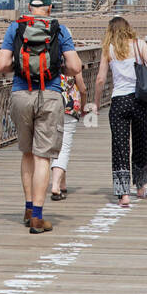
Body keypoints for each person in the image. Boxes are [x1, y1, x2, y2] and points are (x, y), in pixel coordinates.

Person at [0, 0, 81, 234]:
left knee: (27, 153)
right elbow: (75, 67)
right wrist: (57, 67)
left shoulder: (16, 28)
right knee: (43, 156)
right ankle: (38, 217)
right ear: (50, 8)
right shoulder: (59, 29)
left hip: (21, 94)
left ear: (30, 7)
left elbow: (1, 65)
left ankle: (28, 207)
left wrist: (20, 67)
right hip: (50, 94)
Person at [92, 15, 147, 208]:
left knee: (120, 147)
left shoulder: (108, 49)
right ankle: (141, 186)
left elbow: (101, 79)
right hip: (140, 101)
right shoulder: (139, 45)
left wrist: (95, 103)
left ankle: (123, 194)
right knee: (141, 142)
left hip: (119, 102)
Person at [47, 68, 87, 201]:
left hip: (49, 105)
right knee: (64, 146)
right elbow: (82, 88)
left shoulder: (48, 56)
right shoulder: (72, 59)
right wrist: (84, 105)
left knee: (56, 144)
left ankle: (62, 184)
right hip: (69, 107)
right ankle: (56, 186)